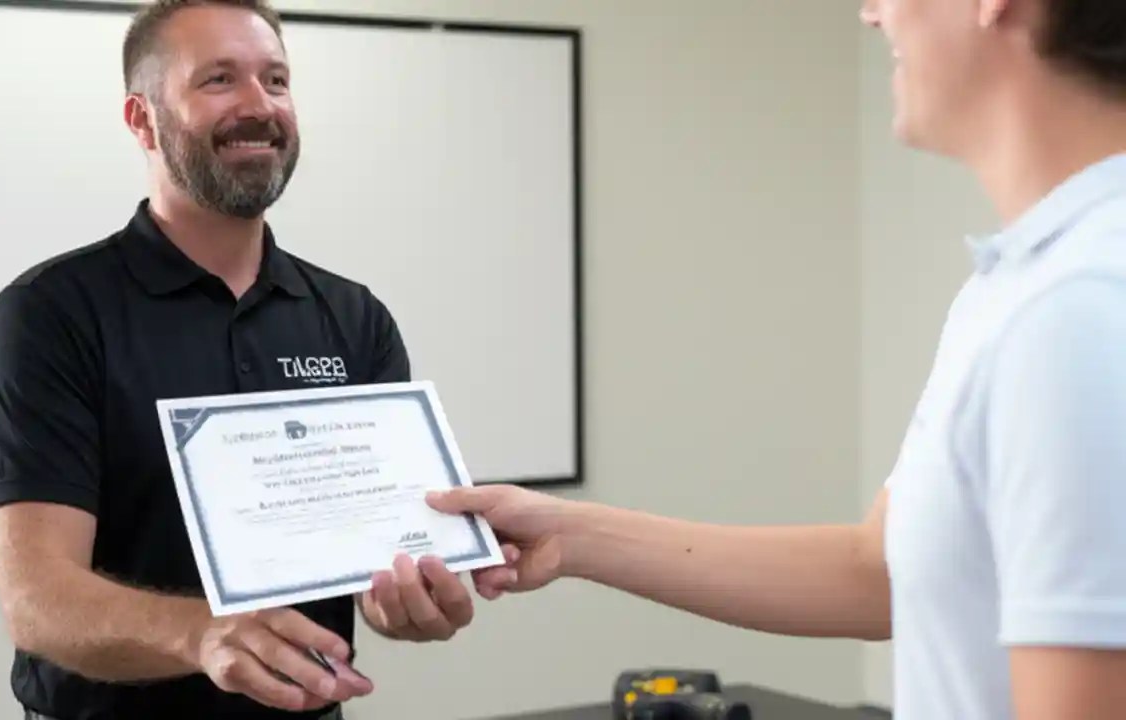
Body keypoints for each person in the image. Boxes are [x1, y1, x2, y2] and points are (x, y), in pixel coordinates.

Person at [429, 0, 1126, 717]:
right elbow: (882, 571)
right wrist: (570, 535)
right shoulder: (1017, 289)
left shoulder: (1081, 304)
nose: (872, 13)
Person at [0, 1, 475, 718]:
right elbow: (37, 601)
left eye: (276, 79)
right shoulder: (53, 313)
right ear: (141, 119)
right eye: (218, 80)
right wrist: (201, 635)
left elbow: (377, 555)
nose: (258, 105)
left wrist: (405, 599)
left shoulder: (353, 318)